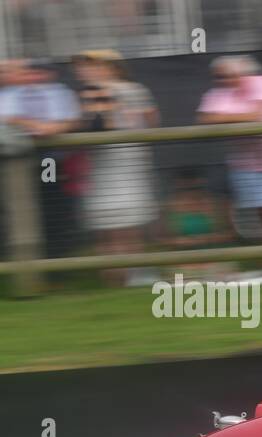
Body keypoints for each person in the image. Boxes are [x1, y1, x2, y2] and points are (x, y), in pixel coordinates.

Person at [198, 55, 262, 277]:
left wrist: (226, 117)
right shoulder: (216, 93)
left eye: (231, 75)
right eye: (220, 76)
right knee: (260, 215)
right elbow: (206, 119)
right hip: (244, 164)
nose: (225, 80)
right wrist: (242, 116)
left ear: (248, 73)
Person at [75, 49, 159, 285]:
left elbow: (97, 124)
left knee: (114, 233)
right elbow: (152, 123)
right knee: (121, 232)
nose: (83, 71)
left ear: (111, 67)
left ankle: (121, 282)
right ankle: (127, 280)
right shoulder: (138, 90)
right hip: (124, 167)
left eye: (91, 66)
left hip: (117, 169)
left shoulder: (97, 91)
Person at [0, 57, 83, 258]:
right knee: (15, 205)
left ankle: (55, 260)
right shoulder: (9, 94)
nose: (35, 76)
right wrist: (33, 125)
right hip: (13, 161)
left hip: (48, 159)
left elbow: (72, 121)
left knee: (50, 201)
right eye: (29, 72)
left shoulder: (60, 93)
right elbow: (7, 118)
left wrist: (53, 128)